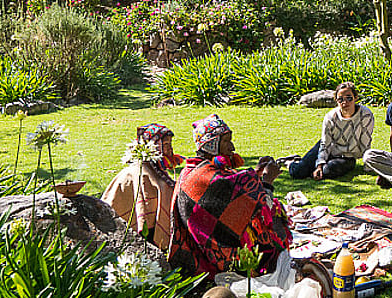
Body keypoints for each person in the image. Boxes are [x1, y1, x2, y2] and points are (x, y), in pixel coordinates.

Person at [169, 114, 292, 278]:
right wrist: (267, 182)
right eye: (226, 141)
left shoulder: (195, 169)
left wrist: (256, 175)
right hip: (215, 263)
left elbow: (233, 192)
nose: (232, 147)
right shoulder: (205, 177)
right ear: (211, 144)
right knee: (270, 239)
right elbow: (255, 205)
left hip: (200, 253)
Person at [101, 123, 186, 252]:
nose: (170, 150)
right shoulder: (142, 173)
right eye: (166, 145)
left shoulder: (156, 170)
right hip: (131, 233)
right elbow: (145, 211)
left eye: (170, 144)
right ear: (153, 147)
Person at [288, 82, 375, 180]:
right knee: (298, 172)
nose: (345, 102)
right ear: (336, 101)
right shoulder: (330, 117)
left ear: (355, 98)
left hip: (347, 156)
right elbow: (325, 143)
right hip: (329, 147)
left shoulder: (366, 115)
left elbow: (365, 142)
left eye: (349, 98)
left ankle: (312, 166)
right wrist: (319, 165)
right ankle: (291, 162)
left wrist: (368, 165)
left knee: (327, 171)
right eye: (340, 99)